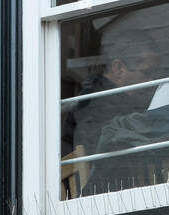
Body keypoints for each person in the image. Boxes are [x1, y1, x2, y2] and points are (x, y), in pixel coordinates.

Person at [62, 30, 161, 197]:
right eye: (146, 73)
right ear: (119, 68)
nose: (153, 82)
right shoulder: (95, 106)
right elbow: (102, 155)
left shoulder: (103, 101)